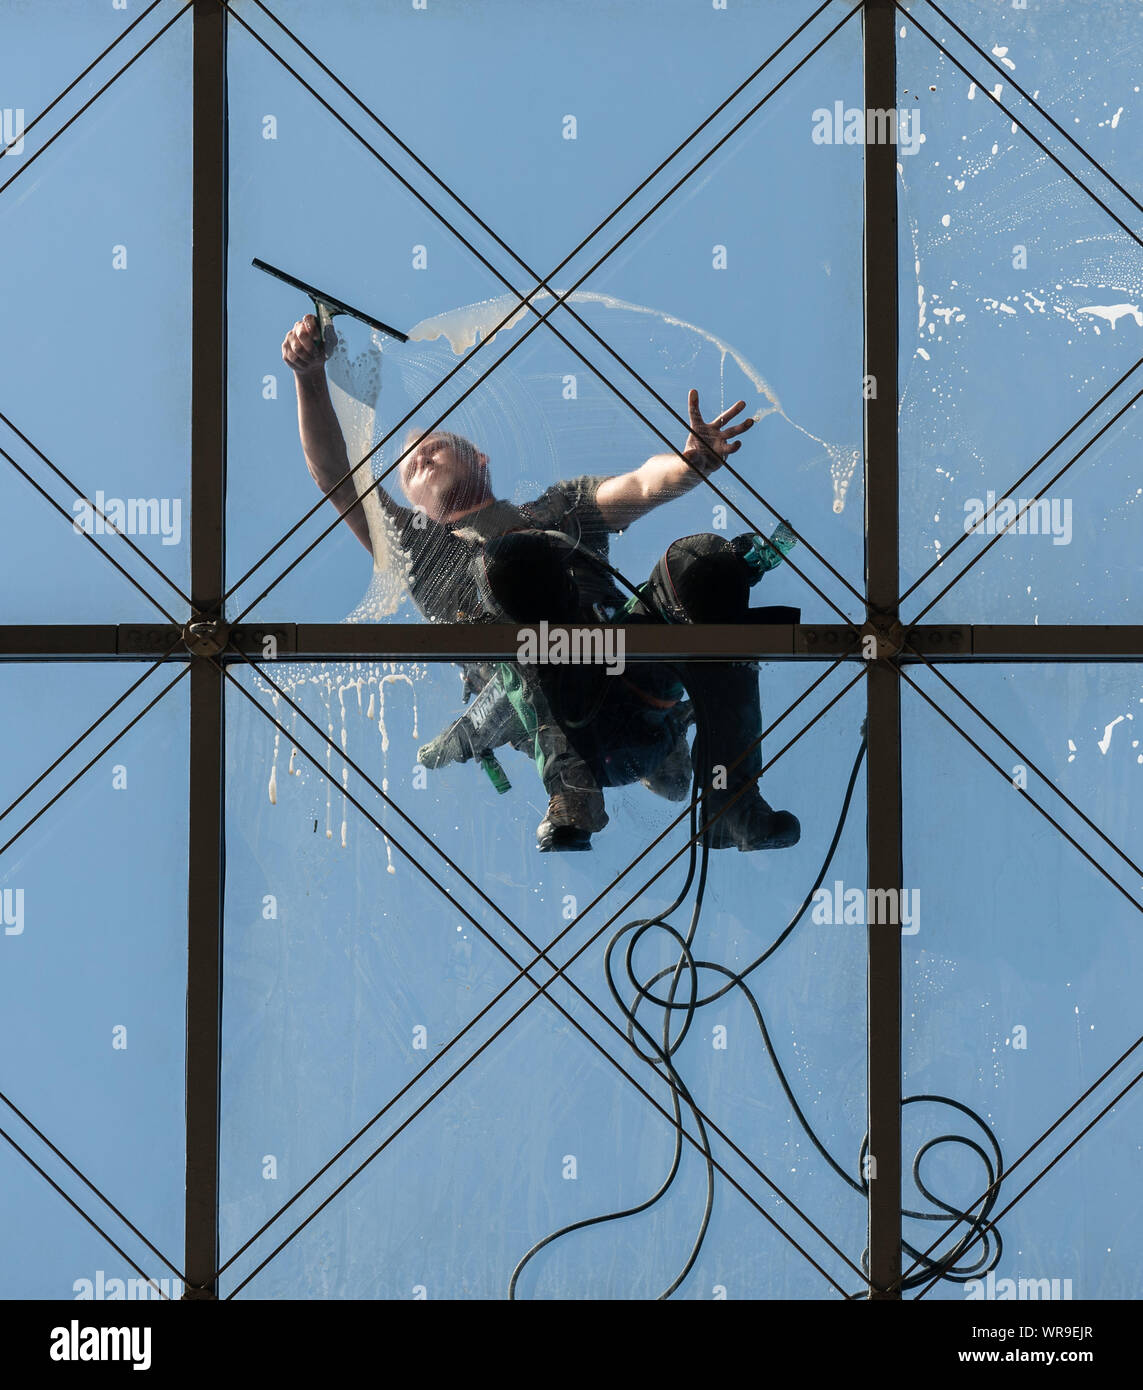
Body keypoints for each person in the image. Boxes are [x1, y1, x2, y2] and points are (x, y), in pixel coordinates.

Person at [283, 312, 800, 853]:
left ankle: (731, 800)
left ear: (479, 458)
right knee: (513, 563)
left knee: (705, 561)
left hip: (644, 694)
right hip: (575, 730)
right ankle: (573, 794)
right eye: (410, 468)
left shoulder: (562, 508)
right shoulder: (425, 556)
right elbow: (336, 478)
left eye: (434, 444)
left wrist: (690, 464)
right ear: (415, 508)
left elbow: (641, 485)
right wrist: (309, 376)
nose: (420, 456)